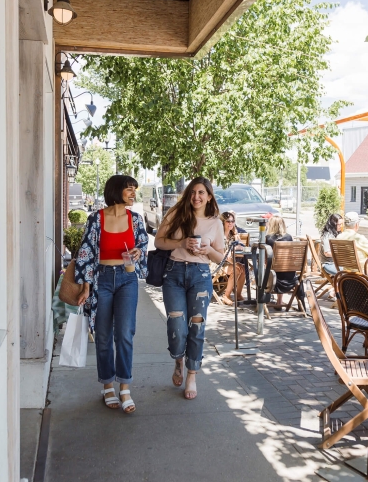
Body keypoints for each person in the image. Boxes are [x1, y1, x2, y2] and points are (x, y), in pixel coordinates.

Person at [74, 175, 149, 414]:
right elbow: (85, 252)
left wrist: (138, 252)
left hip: (127, 279)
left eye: (134, 190)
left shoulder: (135, 219)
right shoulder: (95, 219)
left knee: (125, 333)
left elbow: (143, 245)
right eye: (130, 189)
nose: (133, 193)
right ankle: (107, 385)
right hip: (101, 280)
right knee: (103, 335)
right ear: (116, 191)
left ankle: (124, 387)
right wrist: (86, 287)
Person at [154, 177, 225, 400]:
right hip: (174, 273)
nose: (196, 196)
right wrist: (181, 243)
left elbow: (220, 257)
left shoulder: (216, 222)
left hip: (200, 276)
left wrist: (207, 251)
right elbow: (158, 242)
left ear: (209, 196)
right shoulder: (176, 214)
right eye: (193, 192)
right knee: (176, 325)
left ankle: (191, 374)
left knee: (197, 327)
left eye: (201, 192)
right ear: (188, 194)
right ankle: (178, 360)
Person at [265, 215, 300, 309]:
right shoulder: (289, 237)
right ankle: (279, 301)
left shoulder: (268, 238)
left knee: (262, 270)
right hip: (290, 276)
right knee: (281, 269)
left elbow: (265, 258)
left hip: (274, 277)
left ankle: (262, 300)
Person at [218, 211, 246, 305]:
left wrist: (237, 239)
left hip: (228, 261)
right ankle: (226, 295)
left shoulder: (232, 235)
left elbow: (241, 247)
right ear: (223, 222)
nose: (230, 223)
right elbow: (221, 255)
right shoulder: (219, 235)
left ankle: (238, 294)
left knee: (243, 268)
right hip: (217, 263)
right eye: (228, 221)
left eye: (232, 221)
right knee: (237, 270)